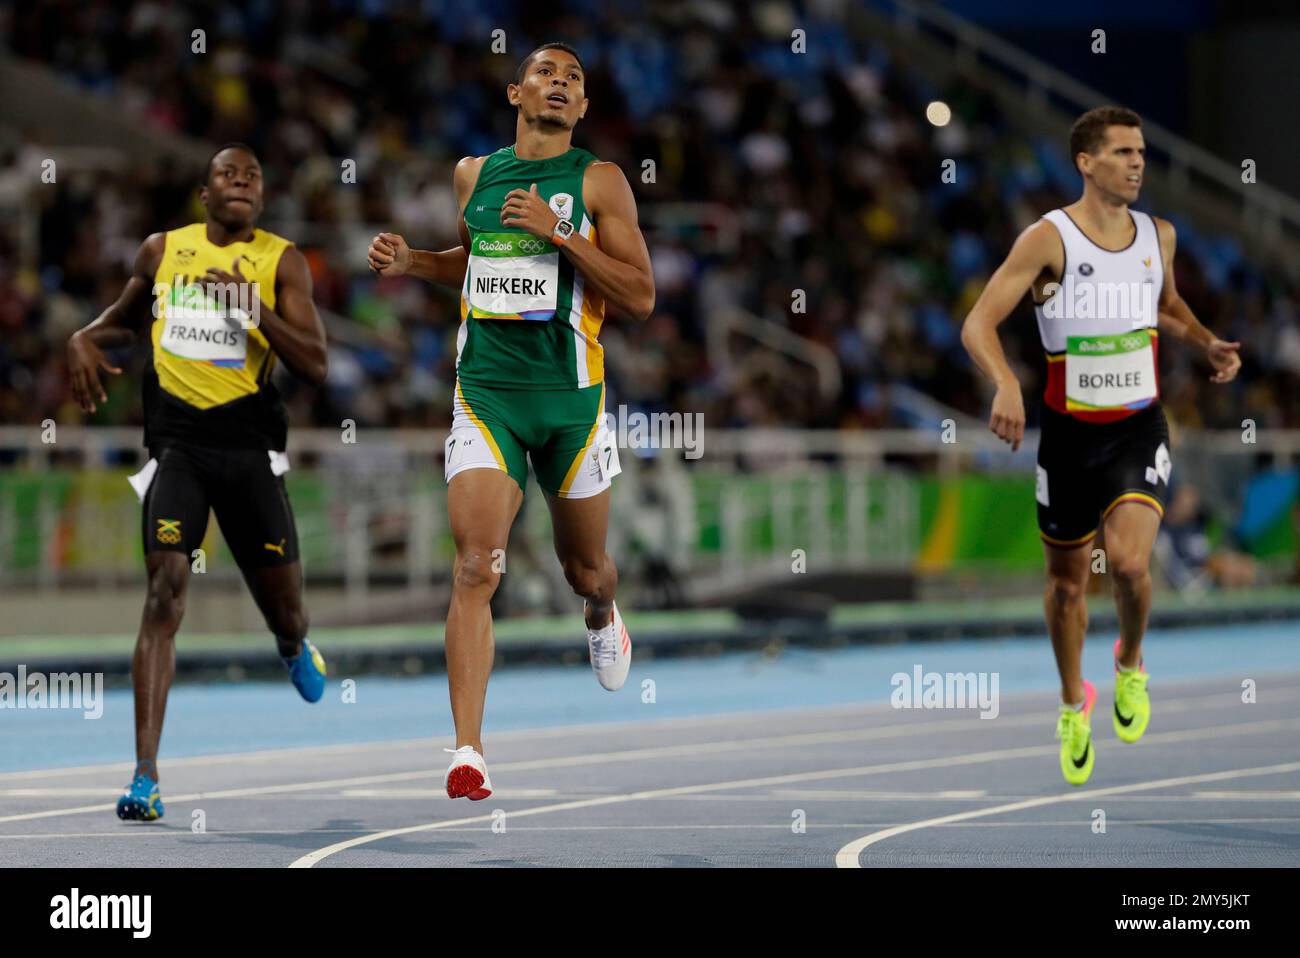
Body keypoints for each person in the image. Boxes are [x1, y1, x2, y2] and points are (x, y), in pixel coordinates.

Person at [367, 43, 655, 800]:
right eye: (546, 74)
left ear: (584, 108)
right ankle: (468, 751)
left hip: (571, 401)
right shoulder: (475, 174)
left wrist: (561, 234)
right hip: (486, 394)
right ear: (514, 91)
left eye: (574, 80)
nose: (560, 84)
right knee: (475, 565)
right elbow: (475, 262)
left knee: (585, 569)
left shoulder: (599, 181)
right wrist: (413, 264)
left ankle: (601, 613)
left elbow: (640, 295)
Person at [960, 106, 1241, 785]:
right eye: (1122, 152)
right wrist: (1004, 383)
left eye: (1141, 151)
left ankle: (1129, 663)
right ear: (1086, 162)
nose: (1138, 162)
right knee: (1065, 586)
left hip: (1137, 428)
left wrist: (1205, 341)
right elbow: (977, 324)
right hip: (1067, 437)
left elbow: (1165, 307)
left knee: (1129, 565)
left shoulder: (1159, 236)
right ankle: (1070, 703)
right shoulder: (1047, 239)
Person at [67, 144, 329, 820]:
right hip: (177, 448)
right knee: (165, 593)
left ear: (262, 199)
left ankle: (293, 645)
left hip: (248, 453)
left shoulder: (282, 260)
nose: (241, 179)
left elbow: (317, 363)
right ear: (204, 195)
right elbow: (125, 320)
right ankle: (145, 777)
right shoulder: (163, 252)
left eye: (254, 174)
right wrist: (82, 339)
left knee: (287, 610)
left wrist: (254, 310)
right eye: (227, 174)